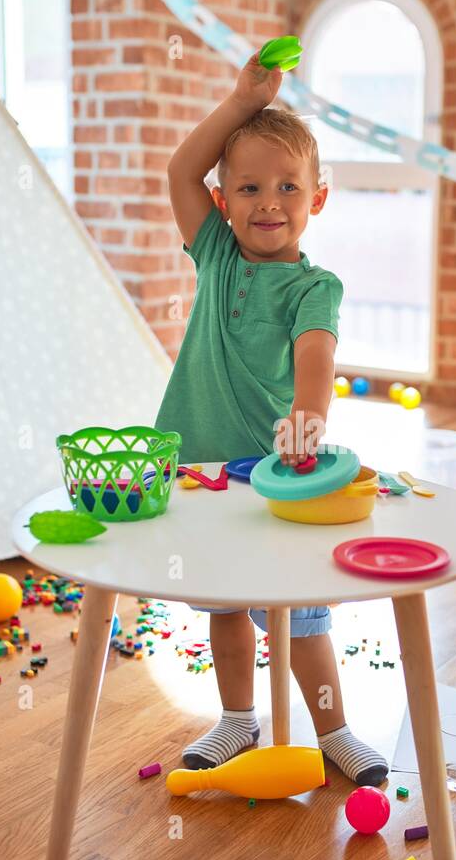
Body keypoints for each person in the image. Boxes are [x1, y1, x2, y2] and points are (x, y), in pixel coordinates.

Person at [157, 51, 388, 786]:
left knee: (304, 621)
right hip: (202, 469)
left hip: (281, 479)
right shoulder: (216, 254)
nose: (268, 202)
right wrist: (237, 102)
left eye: (287, 187)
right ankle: (235, 720)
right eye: (249, 187)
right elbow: (178, 172)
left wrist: (306, 420)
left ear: (317, 198)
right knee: (224, 608)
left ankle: (335, 731)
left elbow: (316, 358)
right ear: (222, 201)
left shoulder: (315, 286)